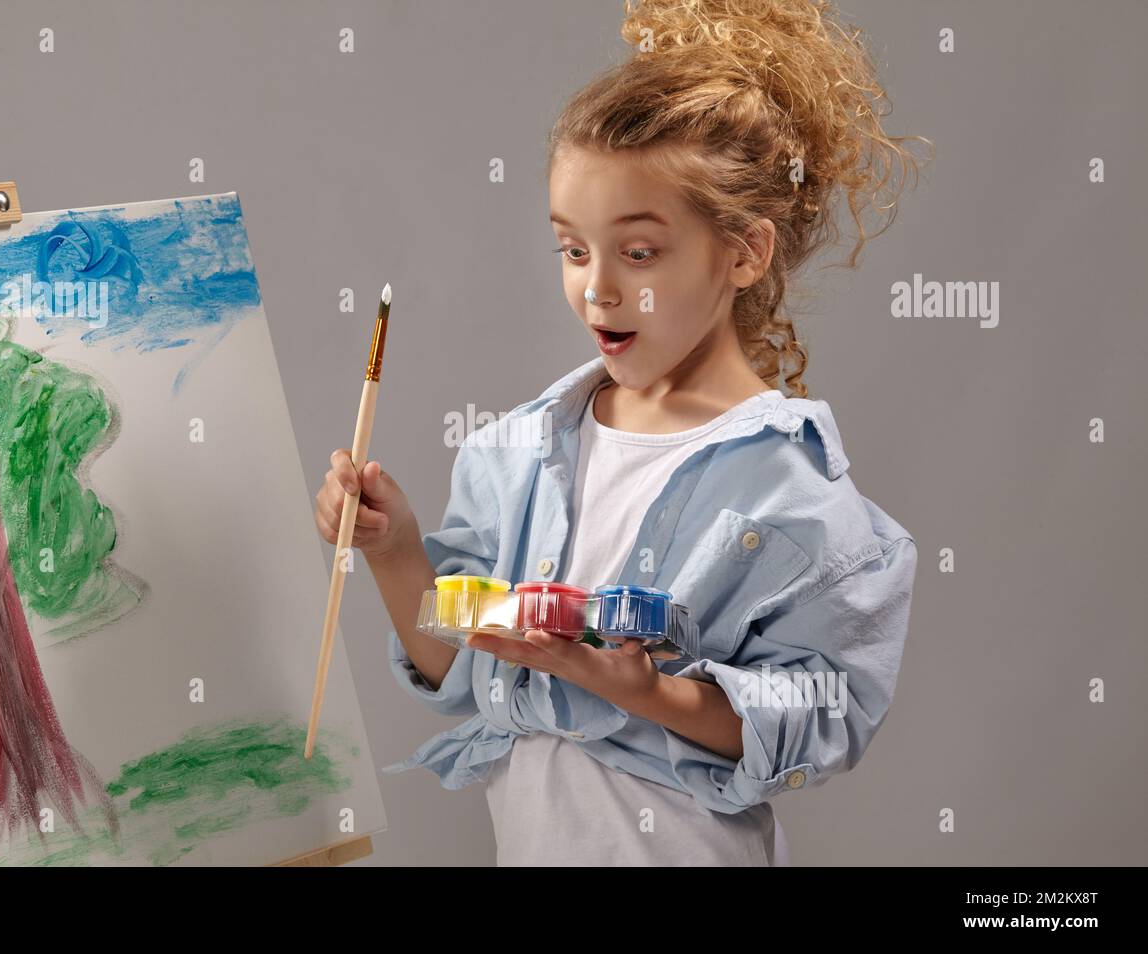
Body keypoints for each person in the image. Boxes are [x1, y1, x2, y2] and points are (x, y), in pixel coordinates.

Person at [315, 0, 926, 866]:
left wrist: (646, 691)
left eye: (637, 253)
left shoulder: (794, 492)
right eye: (573, 250)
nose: (597, 288)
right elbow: (462, 672)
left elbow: (825, 719)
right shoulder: (515, 455)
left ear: (744, 254)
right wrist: (393, 547)